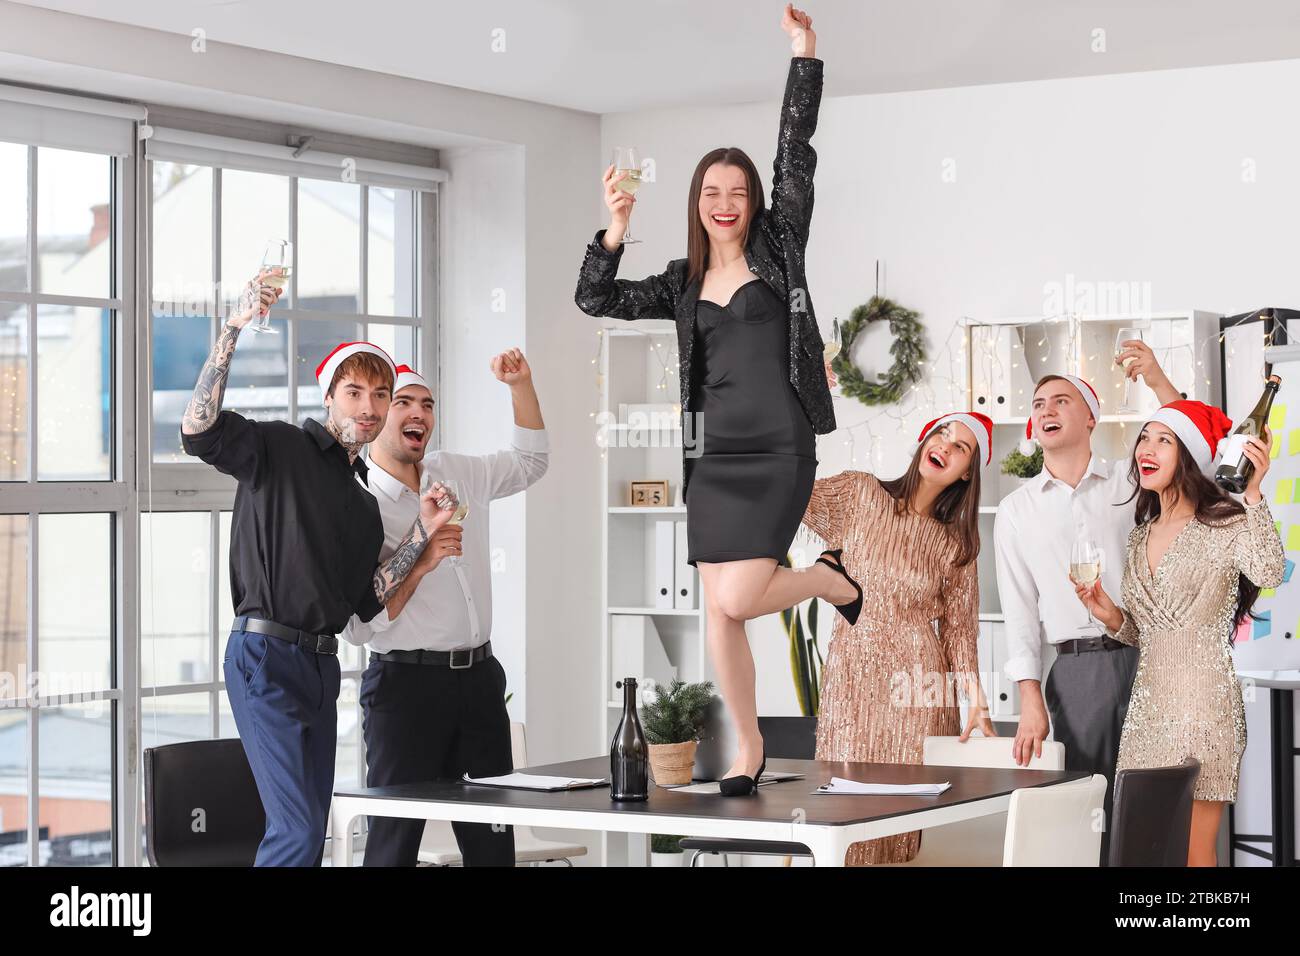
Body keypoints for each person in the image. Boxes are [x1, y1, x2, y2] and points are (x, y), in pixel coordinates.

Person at [574, 4, 862, 795]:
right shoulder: (679, 282)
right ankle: (750, 746)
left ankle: (828, 580)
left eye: (738, 190)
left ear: (756, 201)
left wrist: (805, 57)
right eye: (712, 190)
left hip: (778, 448)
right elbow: (595, 299)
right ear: (697, 201)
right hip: (711, 459)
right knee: (721, 612)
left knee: (737, 591)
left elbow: (792, 151)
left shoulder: (780, 247)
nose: (726, 201)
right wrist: (614, 225)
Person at [181, 272, 456, 866]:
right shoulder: (278, 448)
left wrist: (422, 537)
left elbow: (368, 598)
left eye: (380, 396)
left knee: (310, 834)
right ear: (329, 396)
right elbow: (198, 430)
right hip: (265, 658)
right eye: (355, 392)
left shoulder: (363, 503)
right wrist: (232, 328)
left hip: (321, 668)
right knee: (299, 830)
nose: (369, 406)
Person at [343, 350, 549, 866]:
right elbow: (360, 627)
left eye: (427, 404)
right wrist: (422, 554)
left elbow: (530, 462)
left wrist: (519, 385)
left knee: (493, 841)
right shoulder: (357, 502)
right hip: (404, 688)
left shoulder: (453, 470)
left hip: (479, 680)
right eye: (404, 402)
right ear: (379, 414)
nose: (419, 413)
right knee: (394, 843)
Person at [1074, 399, 1285, 866]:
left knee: (1192, 851)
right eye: (1144, 438)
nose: (1146, 448)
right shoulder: (1138, 535)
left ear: (1187, 454)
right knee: (1142, 846)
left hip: (1205, 707)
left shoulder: (1225, 523)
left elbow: (1270, 570)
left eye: (1163, 440)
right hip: (1148, 710)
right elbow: (1149, 634)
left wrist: (1253, 493)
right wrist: (1110, 615)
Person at [994, 347, 1180, 864]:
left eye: (1061, 401)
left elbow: (1191, 442)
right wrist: (1030, 698)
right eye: (1038, 404)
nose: (1046, 410)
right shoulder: (1015, 511)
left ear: (1092, 416)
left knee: (1157, 795)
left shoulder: (1132, 480)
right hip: (1076, 673)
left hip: (1152, 658)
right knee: (1089, 806)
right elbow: (1019, 610)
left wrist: (1158, 378)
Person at [800, 412, 997, 864]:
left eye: (961, 447)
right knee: (844, 809)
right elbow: (792, 493)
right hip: (851, 680)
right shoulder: (860, 491)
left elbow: (960, 628)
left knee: (906, 817)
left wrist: (975, 698)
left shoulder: (957, 545)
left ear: (967, 471)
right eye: (942, 434)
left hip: (917, 693)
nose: (946, 446)